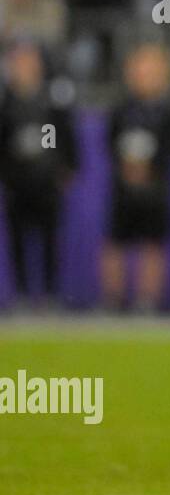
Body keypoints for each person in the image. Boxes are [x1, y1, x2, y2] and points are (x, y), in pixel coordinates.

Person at [100, 43, 170, 313]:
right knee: (115, 242)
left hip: (156, 187)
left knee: (153, 244)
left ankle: (146, 300)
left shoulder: (169, 111)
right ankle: (113, 299)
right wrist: (127, 168)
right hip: (123, 186)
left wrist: (151, 169)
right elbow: (110, 142)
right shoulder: (121, 109)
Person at [0, 42, 77, 308]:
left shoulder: (51, 101)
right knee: (18, 240)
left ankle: (49, 294)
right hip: (17, 182)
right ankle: (22, 293)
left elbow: (61, 138)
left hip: (45, 182)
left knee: (49, 239)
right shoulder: (7, 103)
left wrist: (65, 167)